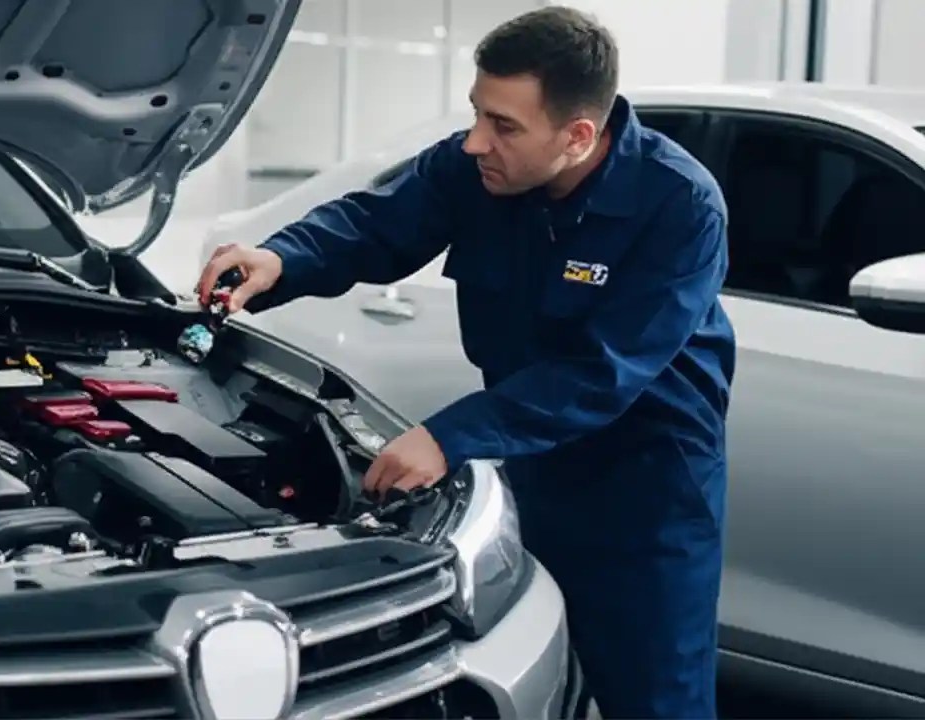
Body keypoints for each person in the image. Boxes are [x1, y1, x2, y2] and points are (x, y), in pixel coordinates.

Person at [196, 5, 733, 719]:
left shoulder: (681, 206)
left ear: (577, 136)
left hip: (644, 495)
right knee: (523, 678)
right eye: (478, 113)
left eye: (504, 126)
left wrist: (448, 437)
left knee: (653, 699)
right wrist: (280, 258)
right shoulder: (476, 169)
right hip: (527, 472)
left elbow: (601, 371)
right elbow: (372, 223)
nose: (477, 140)